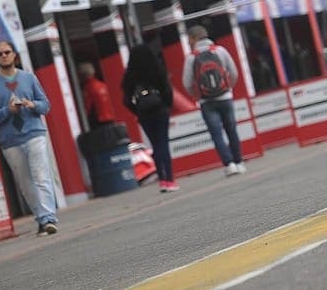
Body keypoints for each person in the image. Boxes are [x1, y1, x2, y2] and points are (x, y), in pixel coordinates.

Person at [0, 41, 60, 236]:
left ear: (15, 54)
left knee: (41, 176)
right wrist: (8, 111)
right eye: (0, 54)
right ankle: (41, 218)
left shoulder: (28, 78)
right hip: (10, 140)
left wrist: (33, 105)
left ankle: (48, 217)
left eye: (7, 52)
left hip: (34, 133)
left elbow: (46, 105)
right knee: (25, 182)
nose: (4, 56)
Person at [182, 26, 245, 176]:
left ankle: (229, 164)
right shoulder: (220, 50)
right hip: (225, 98)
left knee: (216, 134)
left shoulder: (191, 57)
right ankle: (239, 162)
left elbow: (187, 82)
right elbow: (234, 72)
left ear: (193, 38)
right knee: (231, 131)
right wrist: (228, 88)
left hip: (207, 102)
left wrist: (197, 95)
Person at [121, 42, 178, 192]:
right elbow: (167, 90)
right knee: (163, 144)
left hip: (144, 114)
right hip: (160, 111)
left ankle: (162, 180)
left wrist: (137, 111)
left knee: (155, 145)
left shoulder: (130, 76)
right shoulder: (157, 70)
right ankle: (170, 180)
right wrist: (167, 106)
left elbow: (126, 100)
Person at [77, 62, 118, 129]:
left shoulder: (88, 88)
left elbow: (87, 107)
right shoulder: (103, 85)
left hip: (99, 120)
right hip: (111, 117)